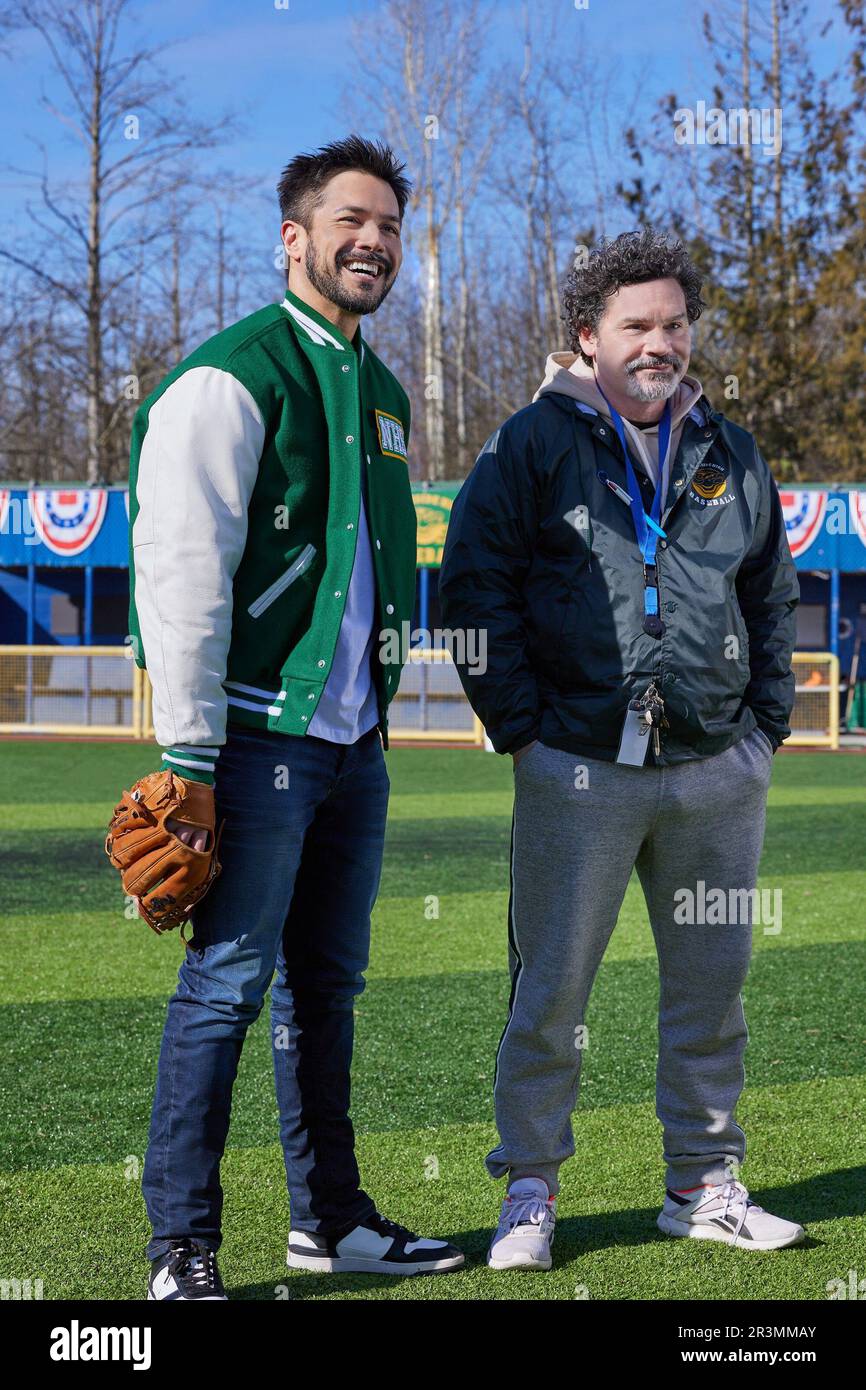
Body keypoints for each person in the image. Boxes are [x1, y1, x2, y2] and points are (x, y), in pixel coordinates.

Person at [128, 135, 464, 1299]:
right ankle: (182, 1247)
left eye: (388, 225)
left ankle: (329, 1220)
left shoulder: (382, 389)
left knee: (327, 987)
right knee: (226, 984)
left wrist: (371, 712)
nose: (371, 240)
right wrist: (188, 755)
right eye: (348, 220)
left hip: (351, 743)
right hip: (254, 736)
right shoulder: (232, 374)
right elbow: (183, 567)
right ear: (293, 237)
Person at [438, 228, 803, 1271]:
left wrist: (759, 730)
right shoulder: (529, 442)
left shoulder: (726, 448)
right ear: (586, 336)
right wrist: (523, 730)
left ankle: (700, 1184)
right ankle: (529, 1192)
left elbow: (769, 594)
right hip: (579, 766)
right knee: (549, 992)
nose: (659, 342)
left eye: (674, 324)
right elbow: (473, 587)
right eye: (636, 325)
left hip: (712, 770)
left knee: (710, 988)